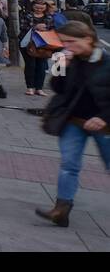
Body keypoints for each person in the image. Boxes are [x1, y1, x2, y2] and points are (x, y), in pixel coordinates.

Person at [35, 23, 110, 228]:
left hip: (104, 124)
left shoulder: (106, 61)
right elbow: (57, 88)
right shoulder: (64, 58)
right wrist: (61, 68)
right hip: (73, 120)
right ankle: (61, 209)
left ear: (88, 39)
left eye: (71, 41)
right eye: (64, 41)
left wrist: (105, 117)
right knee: (69, 164)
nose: (67, 46)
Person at [22, 0, 56, 97]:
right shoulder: (27, 15)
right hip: (29, 43)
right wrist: (35, 27)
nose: (39, 10)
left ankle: (39, 88)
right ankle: (30, 87)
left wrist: (46, 28)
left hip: (44, 44)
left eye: (41, 8)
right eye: (36, 7)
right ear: (33, 6)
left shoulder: (49, 17)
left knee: (41, 66)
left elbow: (52, 28)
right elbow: (23, 27)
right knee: (30, 65)